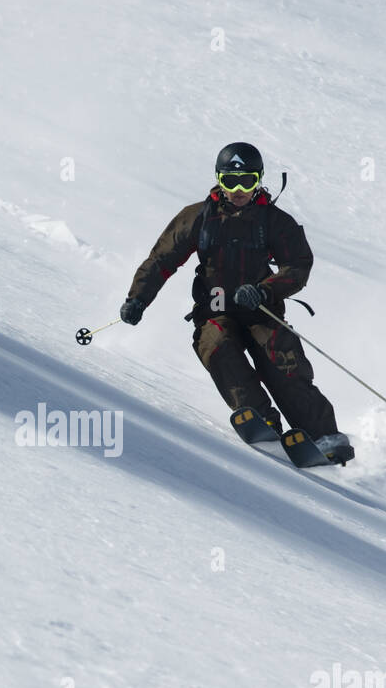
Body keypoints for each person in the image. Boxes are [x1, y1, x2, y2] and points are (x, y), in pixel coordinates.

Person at [119, 142, 350, 458]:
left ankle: (323, 437)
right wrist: (138, 299)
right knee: (217, 345)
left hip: (261, 309)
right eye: (230, 181)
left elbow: (298, 265)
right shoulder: (198, 218)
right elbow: (162, 259)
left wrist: (266, 289)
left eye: (247, 181)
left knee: (280, 358)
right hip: (214, 311)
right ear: (218, 179)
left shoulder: (273, 221)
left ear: (259, 180)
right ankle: (261, 419)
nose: (238, 190)